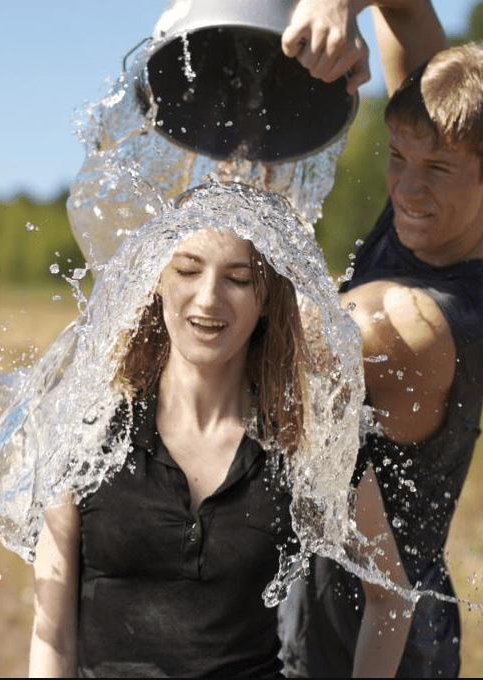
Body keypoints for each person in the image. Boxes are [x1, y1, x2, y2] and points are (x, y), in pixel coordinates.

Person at [26, 182, 415, 678]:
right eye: (188, 270)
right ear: (157, 281)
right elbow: (52, 636)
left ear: (267, 299)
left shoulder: (308, 443)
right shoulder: (90, 433)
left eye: (238, 279)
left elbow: (392, 600)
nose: (208, 299)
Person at [277, 0, 483, 677]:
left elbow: (274, 348)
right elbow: (409, 10)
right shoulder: (447, 214)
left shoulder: (418, 325)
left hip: (380, 641)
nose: (407, 190)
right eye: (396, 156)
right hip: (329, 600)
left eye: (437, 170)